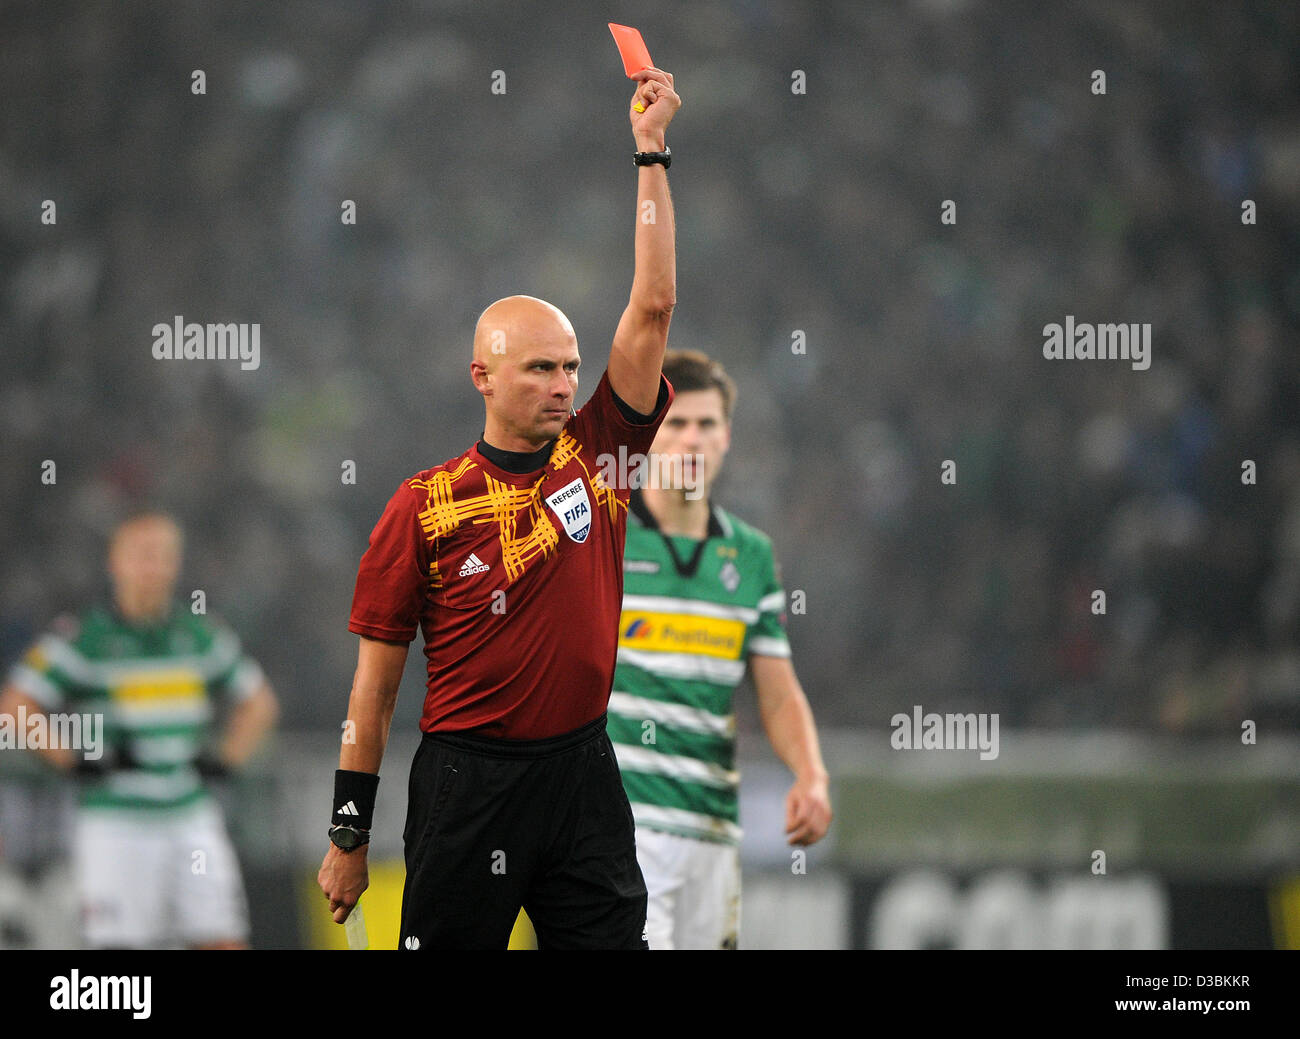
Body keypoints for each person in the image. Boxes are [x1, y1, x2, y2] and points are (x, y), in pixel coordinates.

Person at [317, 66, 682, 950]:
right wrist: (348, 832)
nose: (564, 384)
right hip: (466, 786)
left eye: (568, 366)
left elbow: (654, 304)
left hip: (583, 773)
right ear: (482, 376)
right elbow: (375, 686)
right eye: (539, 369)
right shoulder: (424, 506)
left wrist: (651, 151)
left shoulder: (604, 454)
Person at [608, 349, 832, 949]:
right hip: (620, 830)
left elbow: (777, 692)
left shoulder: (751, 556)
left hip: (712, 831)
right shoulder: (603, 537)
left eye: (706, 425)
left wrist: (810, 775)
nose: (691, 440)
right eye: (676, 423)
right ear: (651, 435)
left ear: (727, 438)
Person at [0, 511, 279, 949]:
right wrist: (73, 763)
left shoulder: (199, 634)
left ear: (177, 564)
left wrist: (226, 759)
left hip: (191, 815)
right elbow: (16, 706)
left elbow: (259, 701)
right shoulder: (84, 638)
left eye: (163, 556)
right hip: (117, 821)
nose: (153, 567)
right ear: (116, 563)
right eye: (141, 555)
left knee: (224, 942)